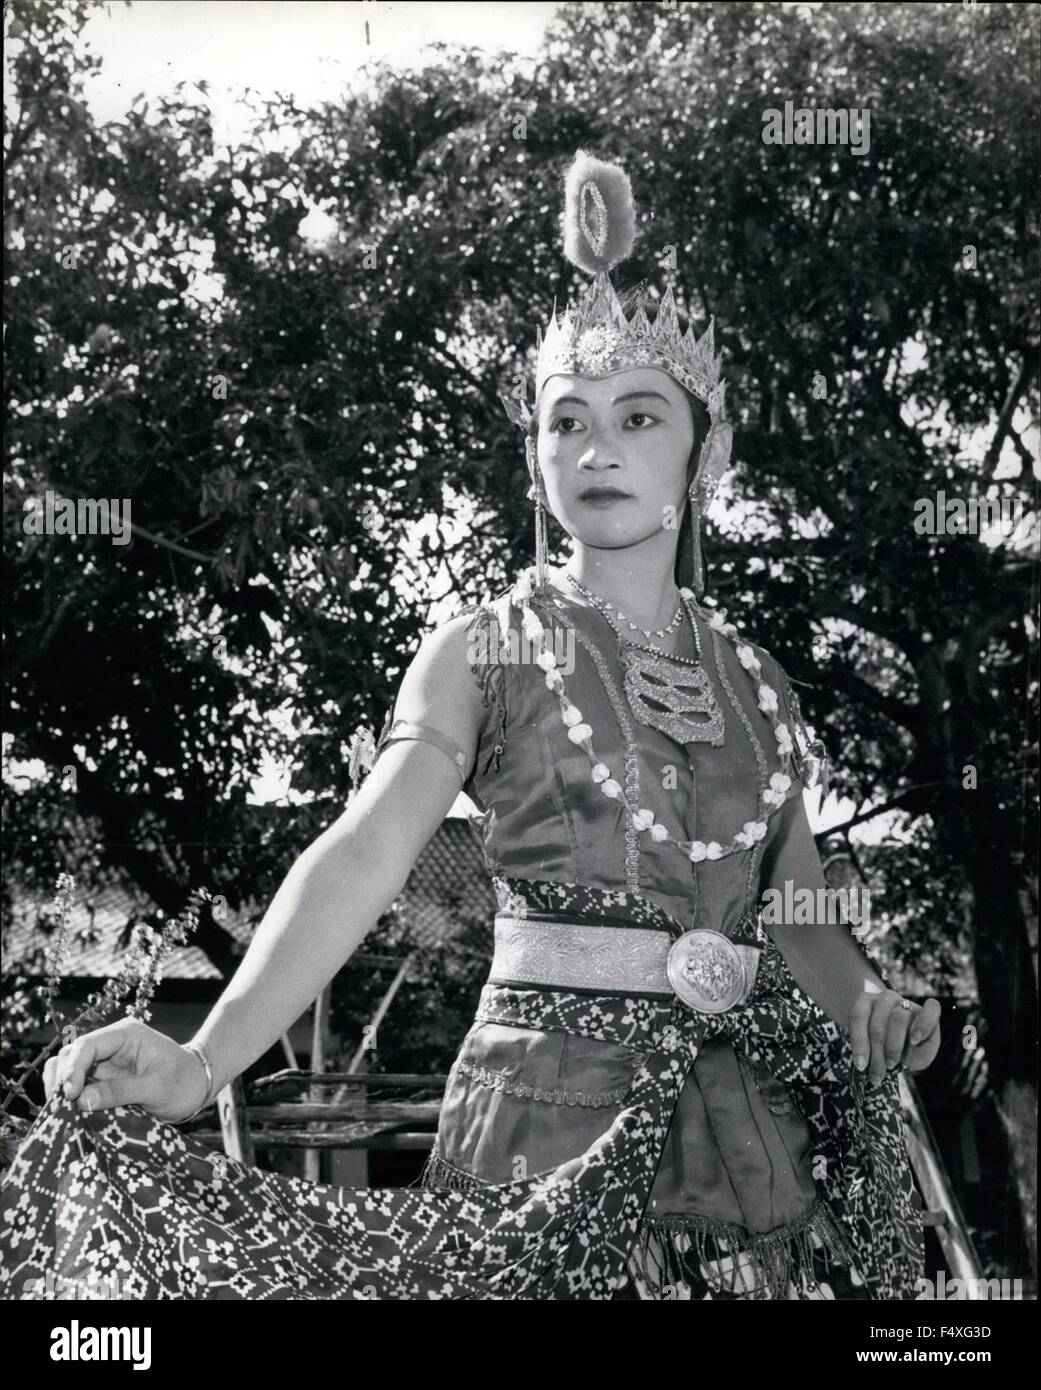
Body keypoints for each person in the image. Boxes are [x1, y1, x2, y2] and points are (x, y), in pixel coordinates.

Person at [0, 150, 940, 1301]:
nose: (599, 449)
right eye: (567, 423)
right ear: (535, 458)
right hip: (541, 1131)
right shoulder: (485, 650)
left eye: (639, 418)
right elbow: (364, 849)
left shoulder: (762, 682)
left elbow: (795, 907)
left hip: (749, 1136)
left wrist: (872, 1005)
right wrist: (205, 1059)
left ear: (705, 454)